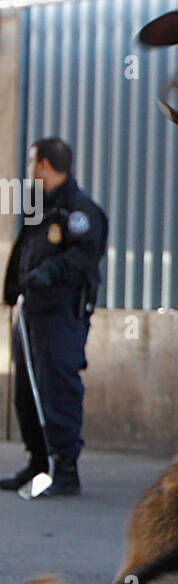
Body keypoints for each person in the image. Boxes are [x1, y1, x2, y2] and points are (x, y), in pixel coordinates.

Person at [2, 137, 107, 497]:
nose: (29, 169)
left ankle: (64, 468)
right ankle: (37, 464)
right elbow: (25, 248)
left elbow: (83, 258)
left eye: (32, 161)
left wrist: (49, 272)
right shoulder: (40, 206)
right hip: (30, 311)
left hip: (60, 315)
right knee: (28, 392)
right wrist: (14, 288)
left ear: (45, 164)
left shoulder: (79, 211)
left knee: (58, 387)